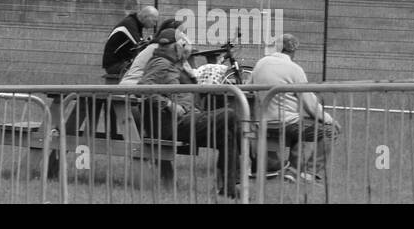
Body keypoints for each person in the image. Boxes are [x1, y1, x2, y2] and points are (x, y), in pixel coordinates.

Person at [121, 27, 243, 197]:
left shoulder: (173, 62)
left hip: (184, 120)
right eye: (182, 43)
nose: (186, 46)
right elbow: (144, 89)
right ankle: (244, 166)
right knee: (229, 114)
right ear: (174, 45)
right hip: (171, 126)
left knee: (226, 136)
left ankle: (230, 188)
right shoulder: (161, 63)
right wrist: (170, 105)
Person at [250, 33, 340, 182]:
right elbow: (310, 105)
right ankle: (308, 174)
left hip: (263, 123)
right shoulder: (294, 69)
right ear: (294, 50)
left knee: (303, 126)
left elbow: (250, 89)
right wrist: (330, 119)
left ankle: (290, 172)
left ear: (277, 47)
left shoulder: (260, 64)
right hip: (287, 123)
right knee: (329, 132)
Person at [101, 5, 159, 82]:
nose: (154, 24)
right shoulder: (128, 25)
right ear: (145, 17)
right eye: (154, 21)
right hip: (115, 65)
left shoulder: (135, 24)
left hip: (123, 62)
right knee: (147, 68)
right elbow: (139, 46)